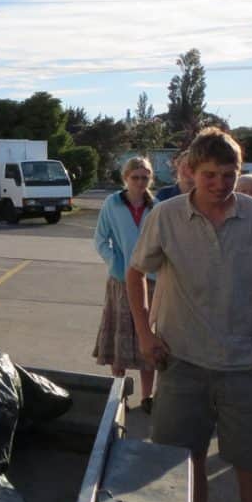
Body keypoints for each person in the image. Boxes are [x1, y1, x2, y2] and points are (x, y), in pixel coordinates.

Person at [126, 127, 252, 502]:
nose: (220, 184)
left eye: (228, 173)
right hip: (182, 362)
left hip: (246, 365)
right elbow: (135, 273)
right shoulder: (167, 216)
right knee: (185, 466)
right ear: (191, 172)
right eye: (210, 175)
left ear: (239, 170)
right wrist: (144, 333)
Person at [93, 156, 158, 411]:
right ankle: (118, 393)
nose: (140, 182)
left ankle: (147, 396)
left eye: (145, 177)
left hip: (151, 280)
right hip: (121, 279)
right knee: (119, 336)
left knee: (148, 337)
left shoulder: (157, 206)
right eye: (135, 177)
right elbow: (100, 239)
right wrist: (115, 264)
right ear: (125, 178)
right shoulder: (112, 203)